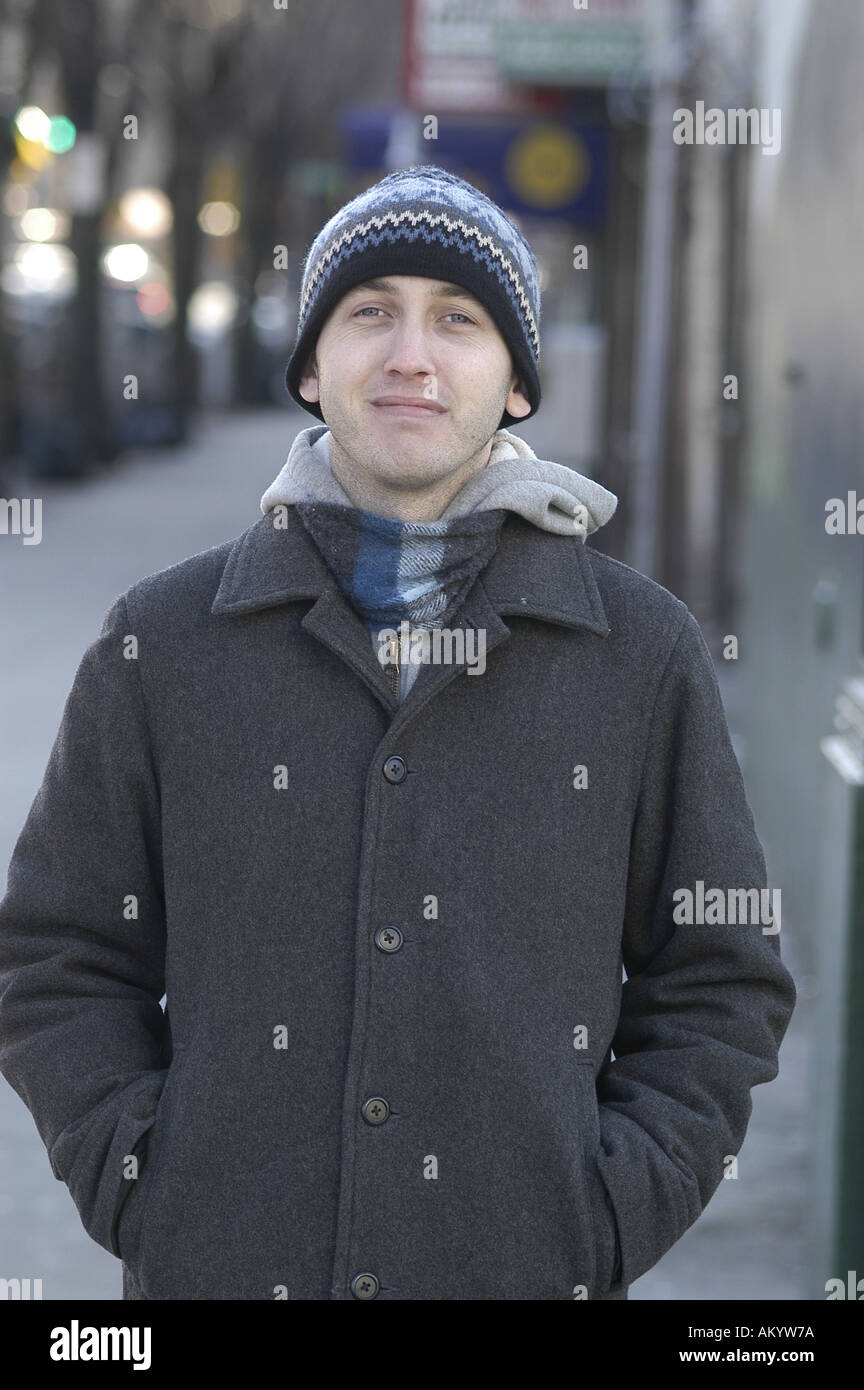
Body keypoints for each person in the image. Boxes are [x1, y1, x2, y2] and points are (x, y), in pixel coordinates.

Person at [0, 165, 796, 1301]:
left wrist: (612, 1212)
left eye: (458, 320)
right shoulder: (160, 644)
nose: (410, 355)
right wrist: (140, 1177)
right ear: (312, 367)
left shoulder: (640, 651)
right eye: (370, 311)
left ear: (517, 382)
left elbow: (721, 979)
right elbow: (55, 954)